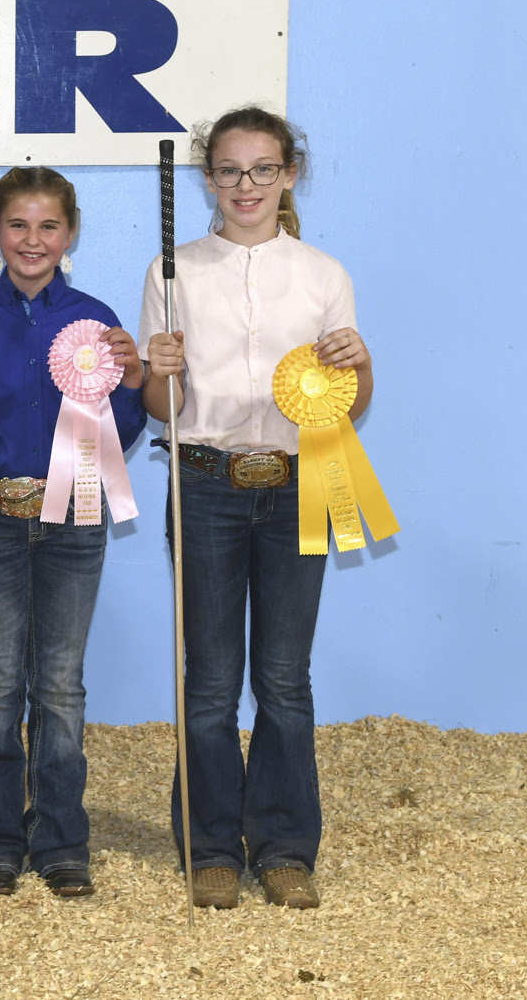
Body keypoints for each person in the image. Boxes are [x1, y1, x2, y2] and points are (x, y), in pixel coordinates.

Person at [139, 107, 369, 910]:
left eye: (261, 169)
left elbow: (349, 398)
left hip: (297, 483)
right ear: (207, 179)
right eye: (230, 171)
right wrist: (157, 368)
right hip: (203, 482)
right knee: (208, 680)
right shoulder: (171, 271)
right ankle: (208, 844)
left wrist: (359, 363)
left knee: (282, 677)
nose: (245, 185)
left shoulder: (322, 275)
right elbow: (157, 407)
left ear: (288, 175)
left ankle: (282, 846)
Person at [0, 167, 146, 898]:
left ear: (70, 234)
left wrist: (135, 382)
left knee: (58, 684)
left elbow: (122, 428)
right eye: (17, 225)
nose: (32, 240)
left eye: (47, 226)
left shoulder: (96, 321)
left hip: (75, 512)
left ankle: (60, 838)